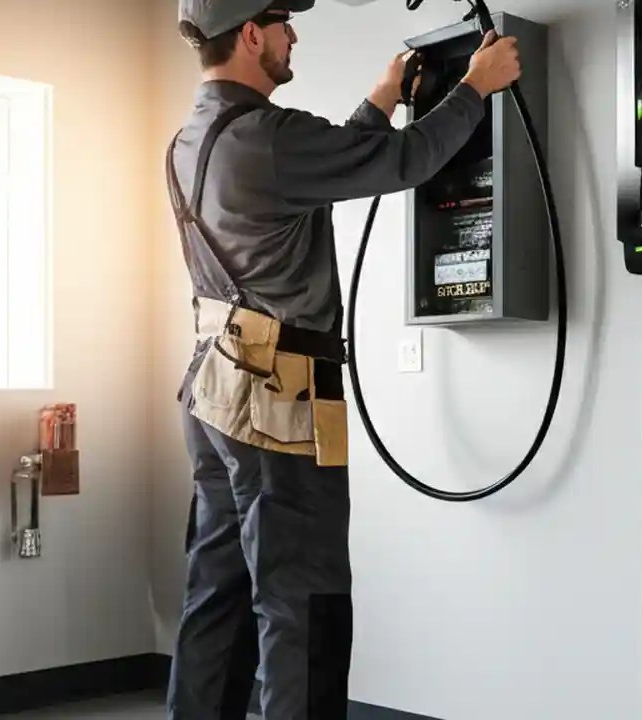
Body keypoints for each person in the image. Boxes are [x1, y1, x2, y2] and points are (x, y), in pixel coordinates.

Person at [165, 1, 521, 718]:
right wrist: (476, 86)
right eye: (282, 19)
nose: (294, 33)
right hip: (279, 397)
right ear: (252, 33)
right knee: (305, 605)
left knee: (219, 597)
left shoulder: (192, 137)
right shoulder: (266, 136)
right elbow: (404, 161)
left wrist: (380, 100)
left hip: (215, 389)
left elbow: (323, 171)